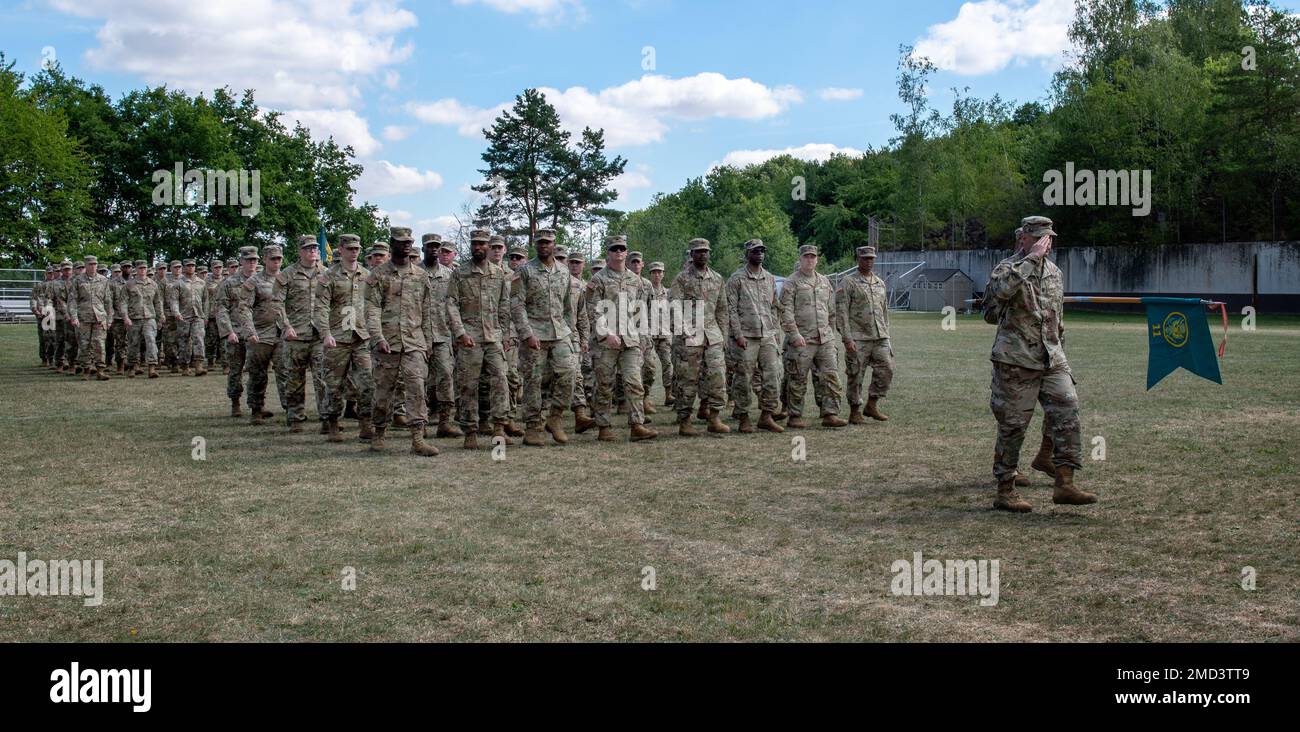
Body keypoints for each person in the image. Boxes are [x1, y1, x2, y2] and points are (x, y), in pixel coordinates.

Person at [984, 215, 1097, 512]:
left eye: (1049, 238)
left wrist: (1061, 349)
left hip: (1051, 358)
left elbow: (1055, 316)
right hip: (1016, 359)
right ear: (1024, 238)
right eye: (1038, 238)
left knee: (1067, 409)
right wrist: (1030, 260)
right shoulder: (1007, 268)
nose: (1046, 244)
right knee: (1013, 425)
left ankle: (1064, 482)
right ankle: (1005, 489)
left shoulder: (1055, 273)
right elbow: (995, 299)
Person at [365, 227, 439, 456]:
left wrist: (428, 342)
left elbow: (427, 310)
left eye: (409, 241)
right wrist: (378, 337)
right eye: (401, 241)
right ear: (392, 244)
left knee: (417, 387)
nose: (406, 245)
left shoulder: (420, 275)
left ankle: (417, 438)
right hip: (387, 342)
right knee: (383, 389)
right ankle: (378, 432)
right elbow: (372, 309)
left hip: (414, 342)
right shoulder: (378, 275)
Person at [447, 229, 514, 449]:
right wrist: (460, 333)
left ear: (488, 246)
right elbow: (451, 304)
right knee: (468, 385)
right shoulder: (460, 273)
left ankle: (498, 428)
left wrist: (504, 334)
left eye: (482, 244)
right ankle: (470, 431)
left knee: (500, 381)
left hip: (493, 337)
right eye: (474, 243)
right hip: (470, 338)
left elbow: (504, 305)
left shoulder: (498, 274)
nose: (478, 247)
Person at [586, 235, 657, 442]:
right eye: (614, 249)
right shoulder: (598, 280)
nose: (618, 252)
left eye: (622, 249)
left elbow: (641, 313)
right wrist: (606, 334)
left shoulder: (637, 281)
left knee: (634, 382)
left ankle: (637, 425)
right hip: (606, 343)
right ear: (608, 252)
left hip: (631, 341)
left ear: (626, 252)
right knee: (604, 384)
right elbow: (592, 310)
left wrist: (644, 341)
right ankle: (604, 426)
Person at [510, 229, 576, 446]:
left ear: (554, 244)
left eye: (547, 242)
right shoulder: (525, 271)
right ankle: (533, 427)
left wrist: (569, 329)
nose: (544, 246)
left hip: (560, 332)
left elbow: (568, 306)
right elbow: (517, 305)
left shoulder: (564, 271)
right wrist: (527, 333)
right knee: (533, 382)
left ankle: (555, 418)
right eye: (540, 242)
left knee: (569, 373)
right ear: (535, 244)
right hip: (534, 333)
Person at [779, 244, 848, 429]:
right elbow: (785, 311)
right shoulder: (791, 282)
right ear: (800, 259)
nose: (810, 260)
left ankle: (830, 414)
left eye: (813, 257)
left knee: (831, 376)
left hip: (824, 339)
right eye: (806, 257)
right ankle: (794, 416)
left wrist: (830, 332)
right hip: (802, 340)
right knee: (797, 379)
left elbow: (831, 310)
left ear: (817, 259)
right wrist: (793, 334)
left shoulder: (825, 282)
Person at [316, 234, 375, 443]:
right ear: (340, 250)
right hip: (337, 337)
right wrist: (325, 334)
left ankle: (366, 422)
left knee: (367, 382)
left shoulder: (367, 275)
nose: (353, 252)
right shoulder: (329, 277)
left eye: (356, 248)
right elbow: (320, 307)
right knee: (334, 385)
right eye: (349, 248)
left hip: (361, 337)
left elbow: (374, 306)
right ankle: (332, 423)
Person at [668, 238, 730, 436]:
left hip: (712, 336)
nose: (702, 254)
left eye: (705, 251)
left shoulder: (717, 278)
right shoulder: (682, 279)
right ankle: (685, 420)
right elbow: (674, 306)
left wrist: (724, 335)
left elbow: (722, 309)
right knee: (688, 380)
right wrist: (682, 330)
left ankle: (714, 417)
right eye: (698, 251)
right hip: (690, 337)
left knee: (717, 376)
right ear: (691, 254)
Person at [726, 239, 784, 433]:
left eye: (761, 250)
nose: (759, 253)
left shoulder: (769, 278)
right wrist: (738, 335)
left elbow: (774, 307)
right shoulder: (737, 279)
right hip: (746, 337)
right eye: (755, 251)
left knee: (773, 375)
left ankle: (766, 415)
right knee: (743, 378)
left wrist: (775, 331)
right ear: (747, 254)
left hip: (767, 334)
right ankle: (743, 416)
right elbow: (731, 310)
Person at [837, 245, 894, 423]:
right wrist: (847, 338)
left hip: (880, 337)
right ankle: (855, 411)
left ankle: (872, 404)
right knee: (856, 374)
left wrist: (888, 337)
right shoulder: (849, 282)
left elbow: (884, 312)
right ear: (857, 260)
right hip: (858, 337)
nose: (869, 261)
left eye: (871, 258)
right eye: (865, 258)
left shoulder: (880, 283)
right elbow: (841, 312)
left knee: (887, 369)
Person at [281, 236, 329, 433]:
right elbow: (277, 303)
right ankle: (295, 417)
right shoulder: (287, 274)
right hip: (296, 336)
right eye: (308, 248)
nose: (312, 251)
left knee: (323, 378)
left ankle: (327, 417)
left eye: (315, 248)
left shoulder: (326, 273)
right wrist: (285, 326)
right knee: (294, 379)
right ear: (299, 251)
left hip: (319, 335)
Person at [237, 246, 288, 426]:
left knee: (285, 372)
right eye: (273, 259)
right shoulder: (254, 281)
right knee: (258, 373)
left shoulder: (286, 279)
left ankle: (290, 409)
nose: (277, 262)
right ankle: (256, 409)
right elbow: (244, 307)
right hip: (261, 334)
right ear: (265, 260)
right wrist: (249, 330)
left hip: (283, 333)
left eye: (279, 259)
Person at [67, 254, 115, 381]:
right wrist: (74, 317)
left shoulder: (103, 280)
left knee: (99, 344)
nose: (93, 267)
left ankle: (100, 370)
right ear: (86, 265)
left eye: (95, 264)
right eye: (90, 264)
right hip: (83, 317)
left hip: (99, 317)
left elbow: (108, 301)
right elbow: (72, 301)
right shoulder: (77, 280)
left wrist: (109, 319)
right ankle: (86, 369)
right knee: (84, 345)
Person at [122, 260, 164, 378]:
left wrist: (160, 317)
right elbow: (123, 302)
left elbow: (158, 302)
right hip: (134, 318)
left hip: (149, 317)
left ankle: (152, 367)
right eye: (140, 268)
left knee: (151, 341)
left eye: (144, 268)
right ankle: (132, 367)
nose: (142, 270)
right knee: (133, 343)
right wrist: (125, 317)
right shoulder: (129, 285)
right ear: (136, 269)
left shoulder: (153, 284)